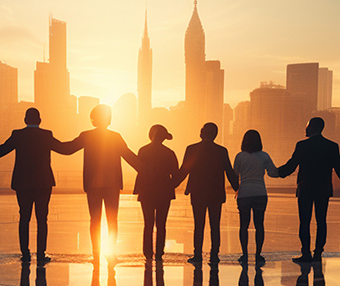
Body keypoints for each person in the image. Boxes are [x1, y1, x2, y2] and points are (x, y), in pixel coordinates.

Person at [0, 107, 75, 265]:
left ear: (25, 120)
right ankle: (41, 253)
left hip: (23, 183)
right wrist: (84, 142)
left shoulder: (17, 135)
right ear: (40, 120)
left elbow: (2, 150)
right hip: (43, 183)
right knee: (42, 219)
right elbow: (64, 149)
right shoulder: (47, 135)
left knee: (24, 218)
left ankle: (25, 253)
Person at [63, 105, 140, 263]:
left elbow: (68, 149)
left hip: (93, 185)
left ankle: (96, 255)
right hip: (112, 184)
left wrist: (48, 142)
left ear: (93, 119)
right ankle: (111, 253)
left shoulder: (86, 136)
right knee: (112, 220)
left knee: (94, 220)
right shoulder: (115, 137)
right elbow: (129, 156)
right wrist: (147, 170)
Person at [278, 117, 340, 263]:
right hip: (323, 189)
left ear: (312, 127)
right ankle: (318, 253)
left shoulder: (302, 145)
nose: (305, 128)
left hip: (305, 189)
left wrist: (276, 172)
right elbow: (338, 167)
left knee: (304, 222)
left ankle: (305, 253)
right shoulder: (332, 146)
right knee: (321, 221)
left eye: (307, 126)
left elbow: (291, 165)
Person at [174, 122, 239, 265]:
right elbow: (229, 171)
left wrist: (171, 184)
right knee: (215, 224)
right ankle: (214, 254)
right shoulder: (221, 151)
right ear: (215, 134)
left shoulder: (192, 149)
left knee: (199, 224)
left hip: (197, 192)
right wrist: (237, 188)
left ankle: (197, 254)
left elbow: (184, 170)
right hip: (216, 193)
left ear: (202, 132)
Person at [132, 124, 179, 262]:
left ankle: (147, 252)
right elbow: (175, 173)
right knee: (161, 224)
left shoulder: (143, 151)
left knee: (148, 224)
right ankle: (159, 252)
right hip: (164, 192)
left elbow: (139, 169)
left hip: (146, 191)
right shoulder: (169, 153)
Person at [232, 129, 278, 265]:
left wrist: (236, 189)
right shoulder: (264, 156)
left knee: (243, 225)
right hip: (260, 193)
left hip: (244, 194)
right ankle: (258, 254)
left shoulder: (239, 157)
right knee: (259, 225)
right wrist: (286, 171)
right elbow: (273, 173)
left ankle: (244, 254)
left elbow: (235, 176)